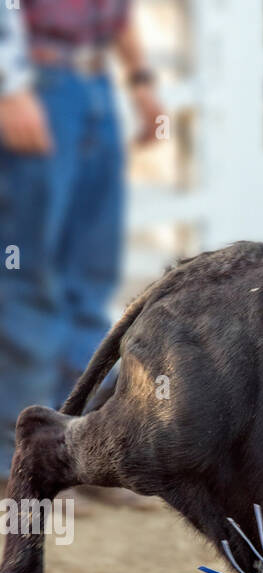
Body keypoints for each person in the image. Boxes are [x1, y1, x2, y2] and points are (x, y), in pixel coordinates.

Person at [0, 1, 161, 485]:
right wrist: (9, 87)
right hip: (38, 82)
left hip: (94, 82)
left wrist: (140, 79)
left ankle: (78, 457)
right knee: (29, 278)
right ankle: (18, 465)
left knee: (90, 275)